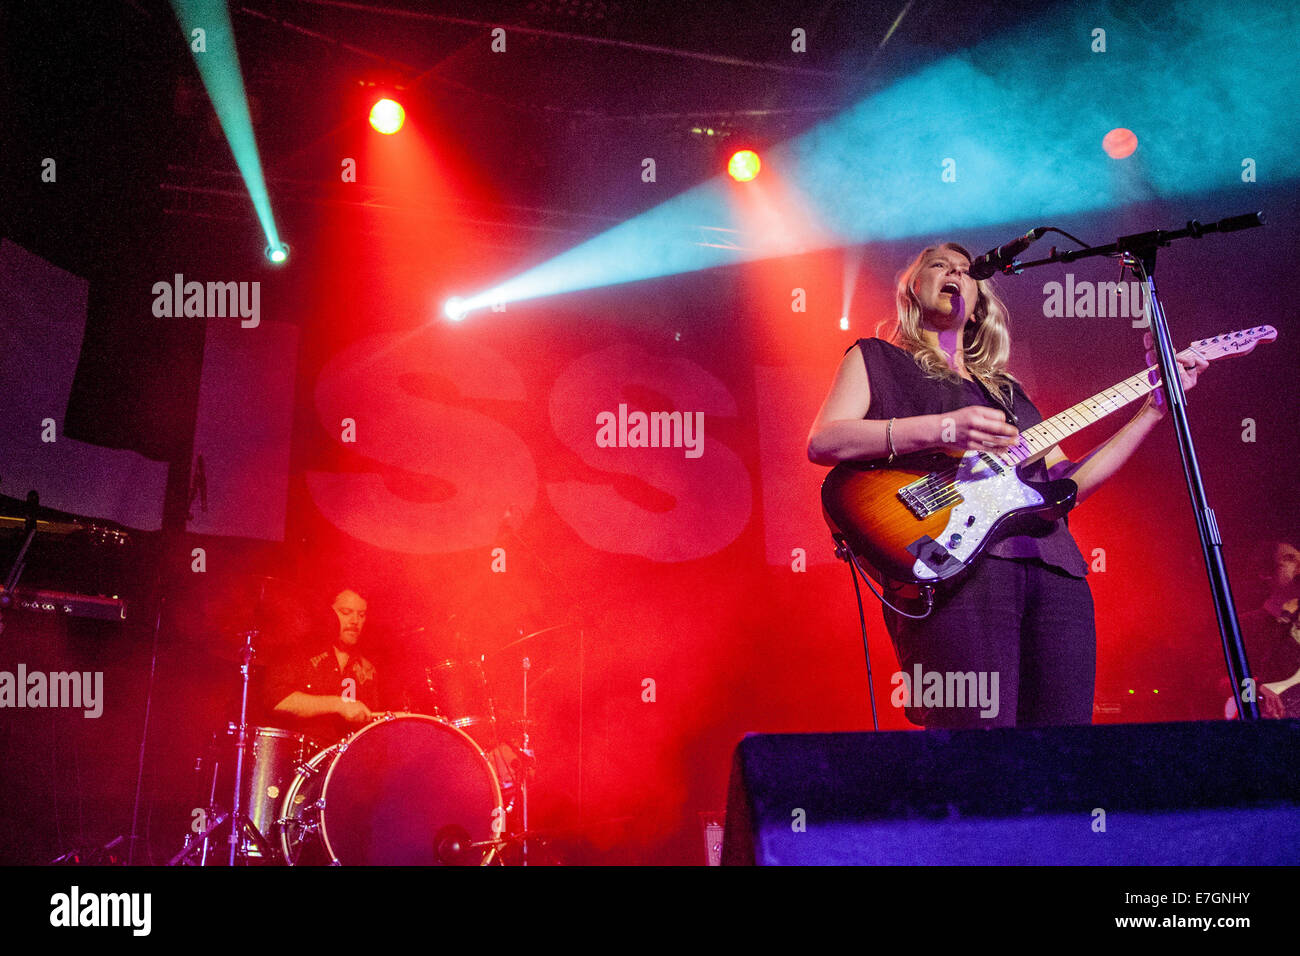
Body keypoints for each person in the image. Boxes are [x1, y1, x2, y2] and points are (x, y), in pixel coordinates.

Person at [807, 241, 1207, 729]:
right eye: (939, 265)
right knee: (977, 742)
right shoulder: (877, 359)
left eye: (966, 270)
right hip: (954, 568)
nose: (955, 271)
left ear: (978, 302)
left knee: (1064, 747)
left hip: (1056, 572)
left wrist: (1153, 411)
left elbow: (1065, 482)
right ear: (912, 288)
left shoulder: (1006, 391)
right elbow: (825, 441)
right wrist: (942, 428)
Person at [264, 587, 382, 744]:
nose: (355, 621)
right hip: (296, 756)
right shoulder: (299, 652)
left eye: (361, 615)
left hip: (343, 761)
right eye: (346, 612)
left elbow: (370, 726)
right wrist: (338, 704)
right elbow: (277, 700)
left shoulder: (367, 669)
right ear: (328, 613)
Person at [1223, 540, 1300, 719]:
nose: (1299, 565)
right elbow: (1216, 681)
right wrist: (1256, 690)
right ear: (1265, 573)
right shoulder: (1243, 626)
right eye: (1290, 559)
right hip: (1273, 732)